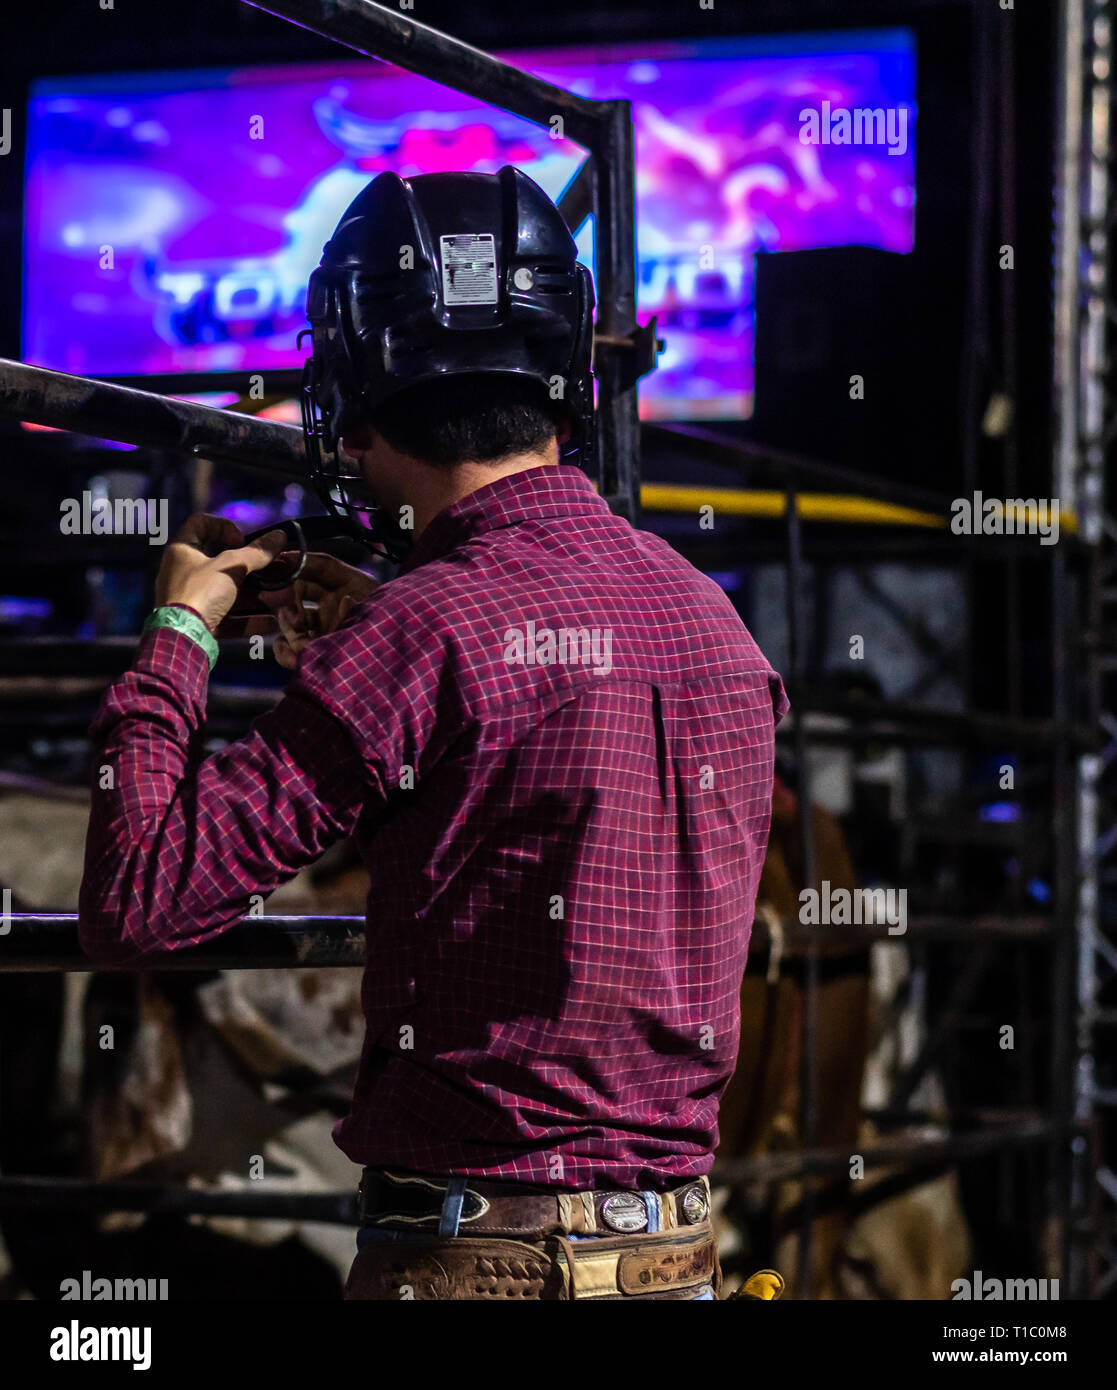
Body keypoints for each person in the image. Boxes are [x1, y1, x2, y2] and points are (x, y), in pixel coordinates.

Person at [78, 165, 788, 1300]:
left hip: (477, 1261)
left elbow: (141, 903)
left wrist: (179, 629)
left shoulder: (419, 636)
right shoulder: (715, 622)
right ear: (568, 385)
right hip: (675, 1259)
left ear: (354, 397)